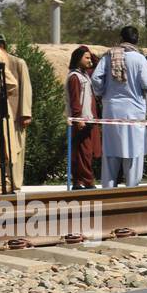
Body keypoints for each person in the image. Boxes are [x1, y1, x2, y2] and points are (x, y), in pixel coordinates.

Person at [91, 26, 147, 189]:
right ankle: (131, 191)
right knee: (133, 154)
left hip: (111, 110)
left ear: (121, 38)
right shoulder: (139, 59)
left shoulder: (108, 56)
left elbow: (96, 79)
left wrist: (102, 94)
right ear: (137, 40)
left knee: (111, 154)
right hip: (133, 112)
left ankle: (108, 191)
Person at [0, 33, 32, 191]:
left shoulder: (18, 63)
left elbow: (25, 88)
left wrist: (25, 113)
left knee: (16, 151)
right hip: (3, 114)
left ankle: (15, 184)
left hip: (16, 113)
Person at [65, 46, 101, 190]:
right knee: (83, 153)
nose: (89, 60)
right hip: (81, 121)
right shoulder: (75, 77)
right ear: (77, 59)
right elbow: (75, 100)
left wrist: (91, 55)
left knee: (85, 152)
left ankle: (79, 181)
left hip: (88, 120)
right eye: (86, 57)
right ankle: (87, 181)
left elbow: (97, 65)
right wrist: (78, 117)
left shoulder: (85, 74)